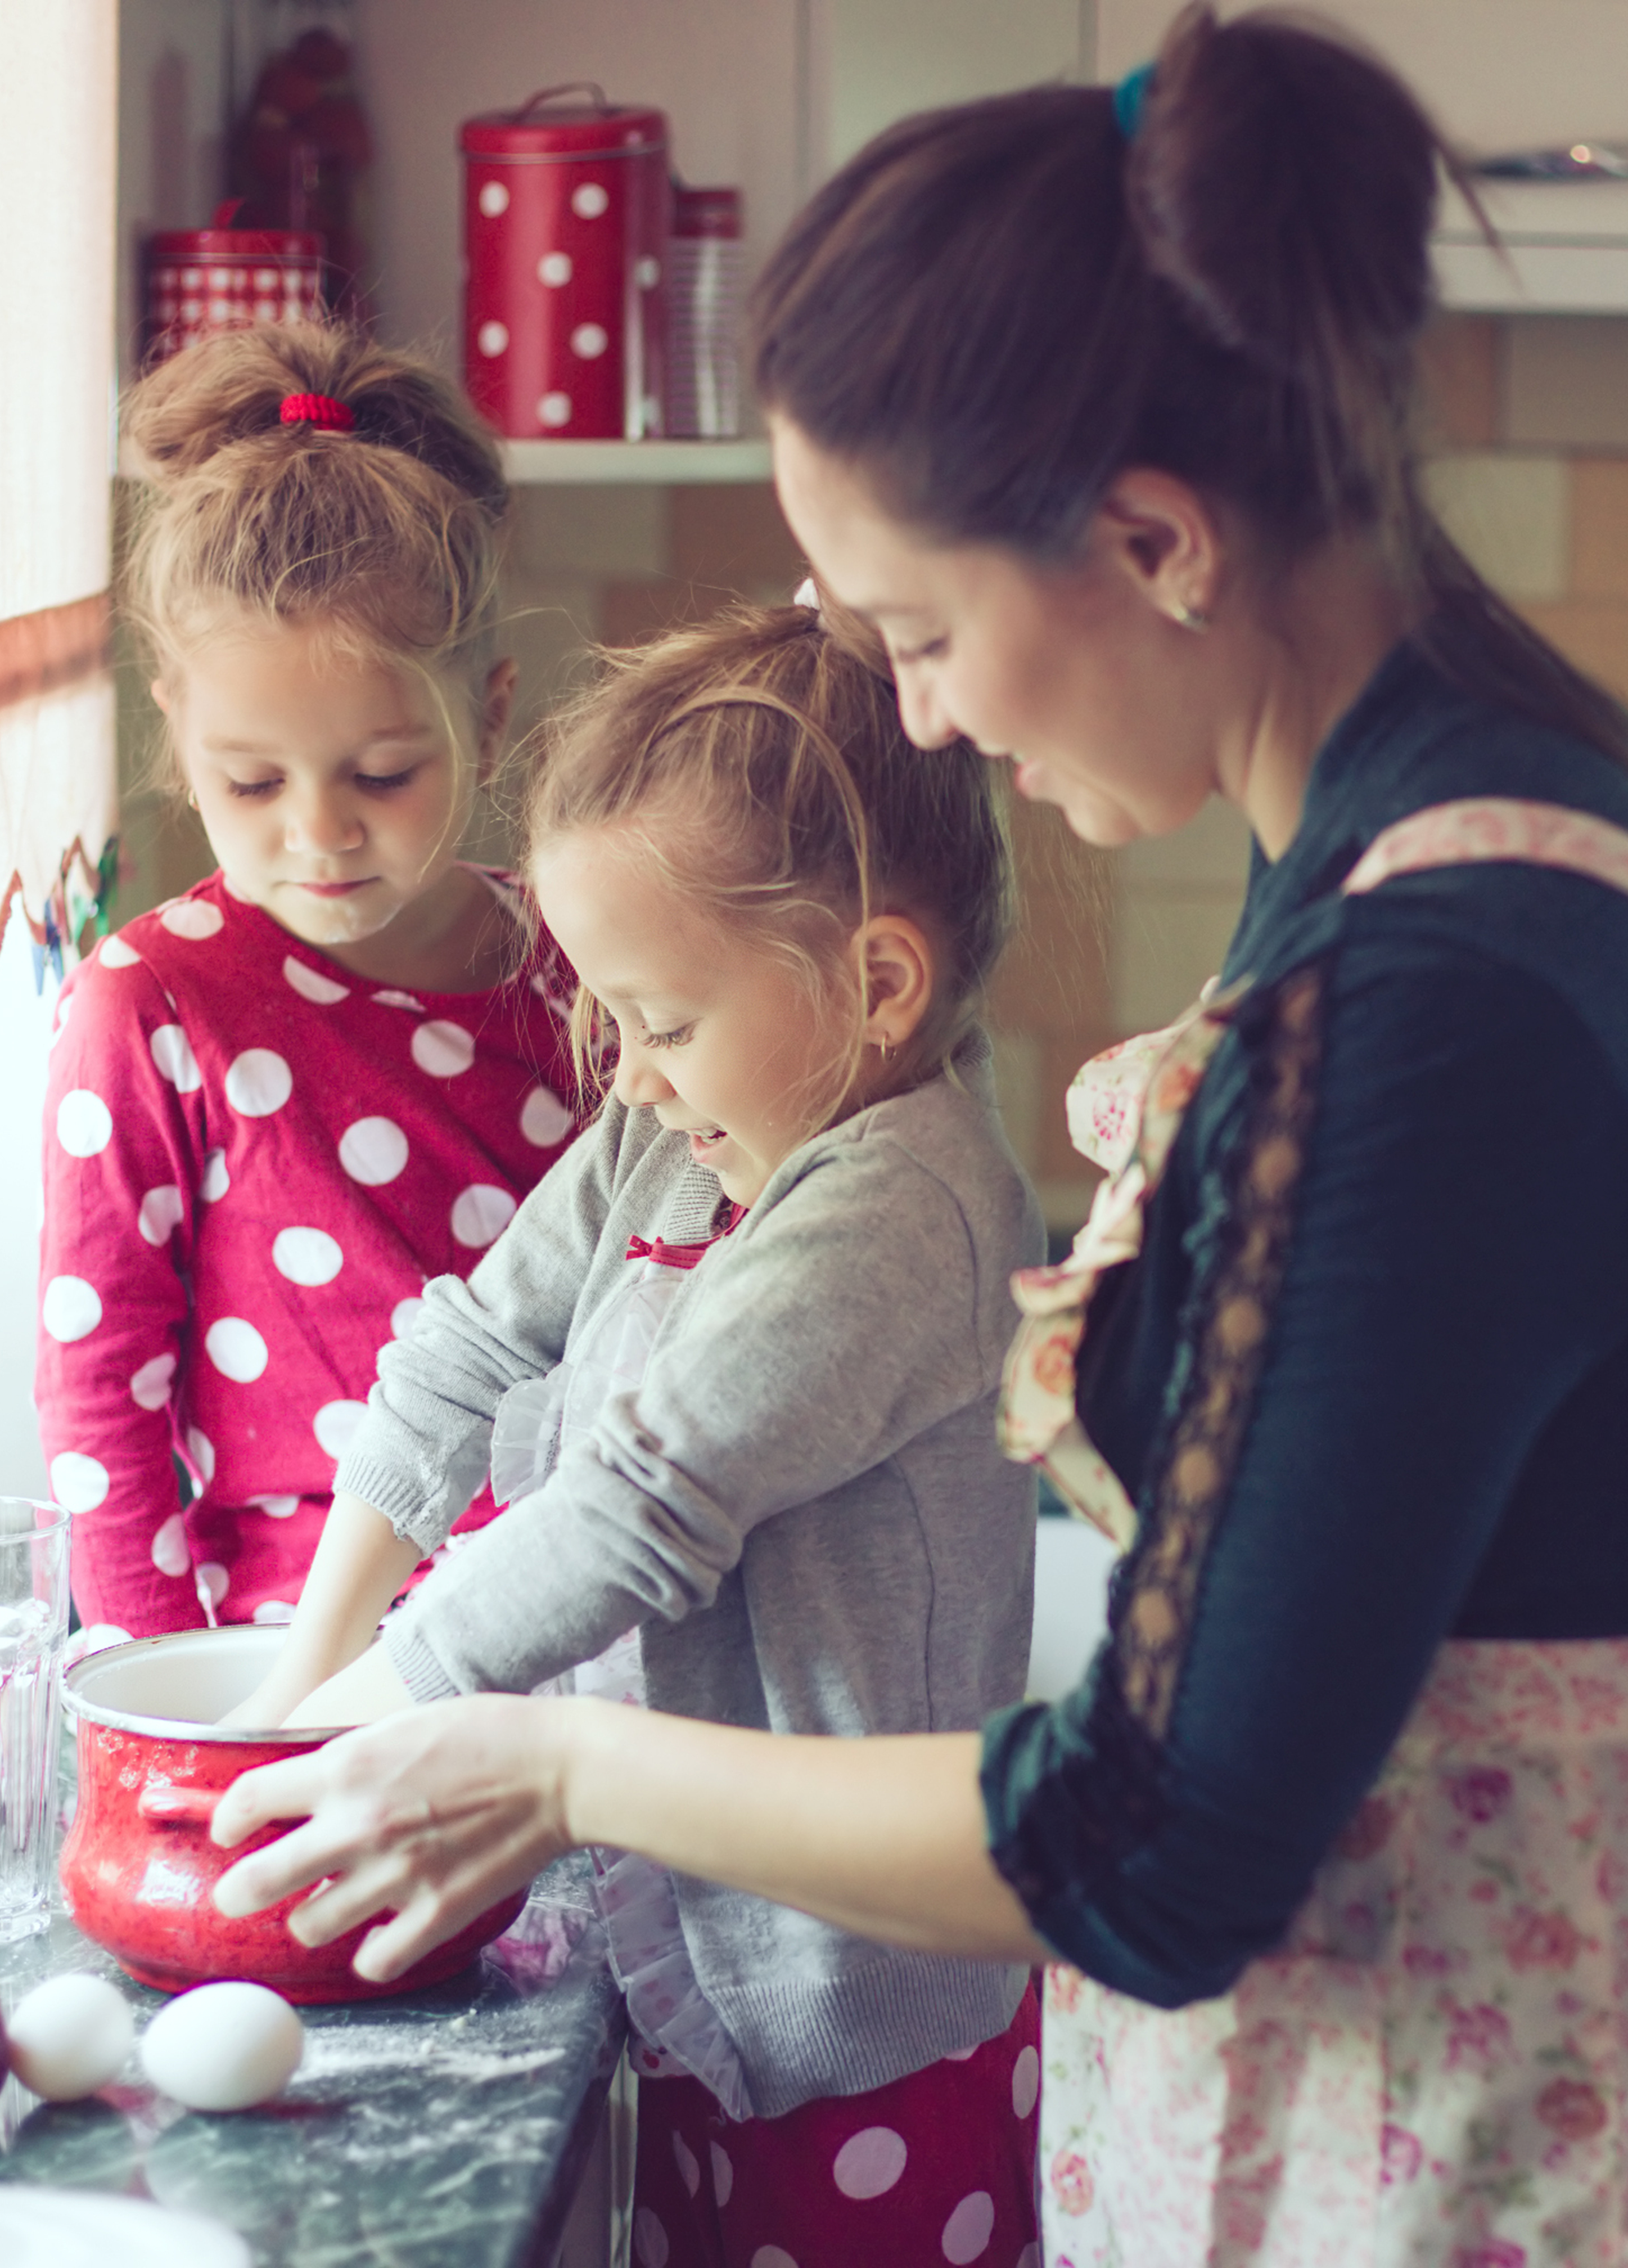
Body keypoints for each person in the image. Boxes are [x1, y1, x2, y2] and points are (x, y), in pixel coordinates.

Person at [209, 10, 1628, 2259]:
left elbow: (1151, 1854)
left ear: (1154, 537)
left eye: (922, 627)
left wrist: (562, 1763)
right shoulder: (1473, 789)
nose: (917, 712)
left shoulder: (1432, 1002)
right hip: (1560, 2085)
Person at [223, 604, 1048, 2268]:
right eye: (607, 1020)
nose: (631, 1073)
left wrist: (368, 1723)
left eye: (662, 1022)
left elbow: (638, 1509)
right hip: (685, 1955)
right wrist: (291, 1699)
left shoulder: (900, 1208)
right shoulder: (672, 1138)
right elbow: (465, 1353)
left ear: (876, 983)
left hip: (855, 2012)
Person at [37, 324, 579, 1639]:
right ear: (176, 725)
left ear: (491, 718)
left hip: (580, 1640)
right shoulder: (149, 1004)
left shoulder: (585, 966)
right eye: (253, 781)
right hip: (287, 1669)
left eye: (384, 775)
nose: (319, 832)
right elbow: (103, 1395)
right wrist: (164, 1708)